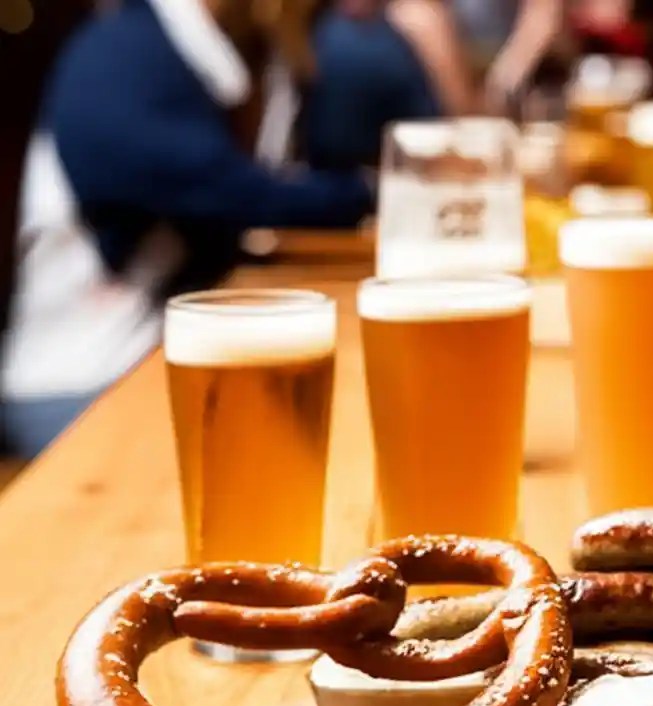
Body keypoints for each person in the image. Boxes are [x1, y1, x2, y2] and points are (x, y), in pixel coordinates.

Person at [2, 0, 374, 458]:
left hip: (138, 357)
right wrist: (366, 192)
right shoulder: (119, 60)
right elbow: (226, 189)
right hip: (77, 378)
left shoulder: (166, 50)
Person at [305, 0, 476, 170]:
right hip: (360, 176)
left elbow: (461, 118)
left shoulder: (415, 16)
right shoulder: (417, 18)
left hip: (410, 169)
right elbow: (462, 115)